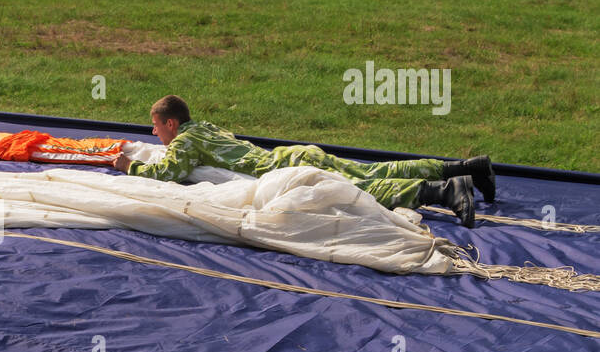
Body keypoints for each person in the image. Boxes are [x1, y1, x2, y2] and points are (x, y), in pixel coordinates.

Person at [111, 95, 494, 228]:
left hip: (283, 169)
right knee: (374, 169)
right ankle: (466, 167)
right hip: (295, 153)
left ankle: (444, 191)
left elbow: (169, 172)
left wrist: (133, 167)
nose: (153, 135)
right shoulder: (205, 128)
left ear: (171, 123)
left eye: (156, 128)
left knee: (362, 189)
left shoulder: (187, 140)